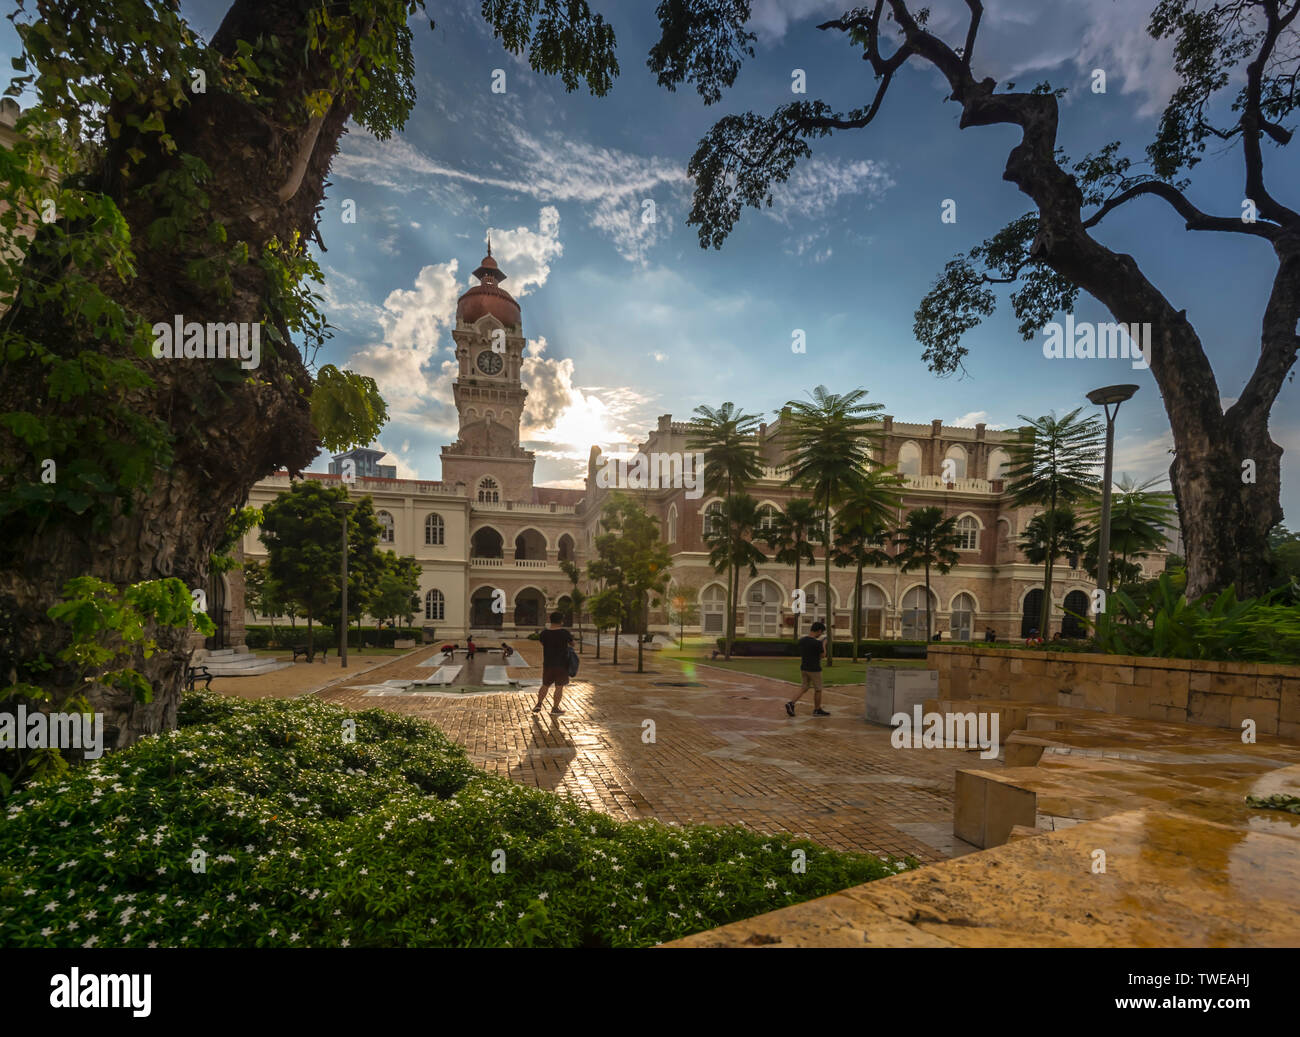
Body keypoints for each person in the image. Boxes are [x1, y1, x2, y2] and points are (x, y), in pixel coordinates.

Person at [785, 620, 830, 717]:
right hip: (814, 669)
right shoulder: (817, 643)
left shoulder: (802, 640)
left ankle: (791, 703)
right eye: (821, 632)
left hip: (804, 668)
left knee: (804, 687)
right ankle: (817, 710)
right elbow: (823, 655)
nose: (820, 634)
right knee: (818, 689)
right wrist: (823, 644)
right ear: (818, 631)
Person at [535, 612, 574, 715]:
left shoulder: (544, 633)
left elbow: (542, 644)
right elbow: (572, 644)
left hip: (548, 664)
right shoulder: (565, 633)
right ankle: (555, 708)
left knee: (545, 685)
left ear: (550, 620)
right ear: (561, 621)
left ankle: (538, 704)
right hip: (561, 665)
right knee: (559, 687)